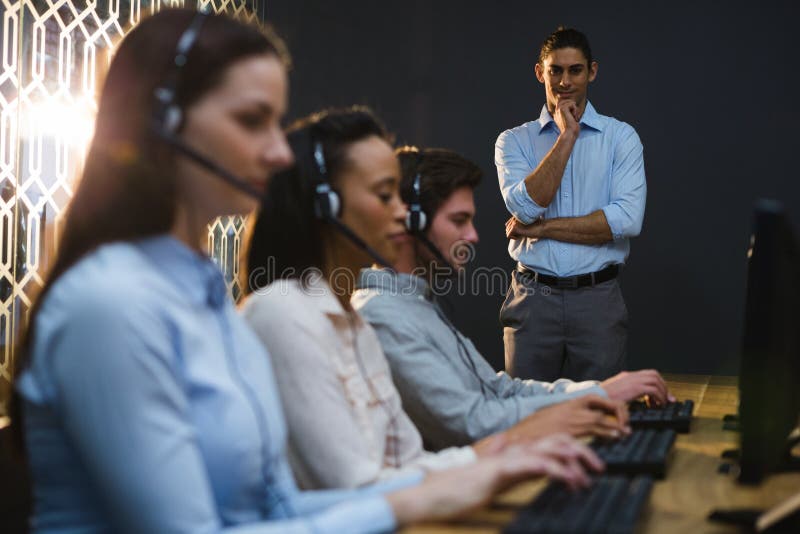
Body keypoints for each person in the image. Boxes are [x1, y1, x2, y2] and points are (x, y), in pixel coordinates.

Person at [11, 10, 598, 533]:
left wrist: (476, 471)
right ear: (163, 122)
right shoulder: (110, 305)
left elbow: (276, 507)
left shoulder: (200, 297)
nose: (280, 152)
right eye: (251, 120)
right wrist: (423, 497)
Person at [242, 107, 603, 491]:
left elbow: (407, 463)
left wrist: (504, 458)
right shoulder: (283, 313)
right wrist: (511, 451)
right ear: (326, 208)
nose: (402, 215)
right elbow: (359, 491)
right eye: (385, 195)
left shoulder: (354, 323)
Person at [353, 147, 672, 449]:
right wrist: (600, 396)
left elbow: (500, 391)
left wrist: (600, 391)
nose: (473, 236)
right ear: (411, 223)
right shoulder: (382, 315)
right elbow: (473, 423)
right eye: (458, 220)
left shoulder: (416, 305)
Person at [495, 27, 647, 382]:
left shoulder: (620, 137)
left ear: (592, 71)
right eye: (555, 70)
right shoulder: (513, 141)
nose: (565, 81)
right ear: (540, 73)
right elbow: (528, 209)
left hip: (597, 301)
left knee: (599, 420)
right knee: (527, 420)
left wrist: (543, 230)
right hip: (532, 300)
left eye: (575, 70)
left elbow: (625, 221)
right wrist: (567, 136)